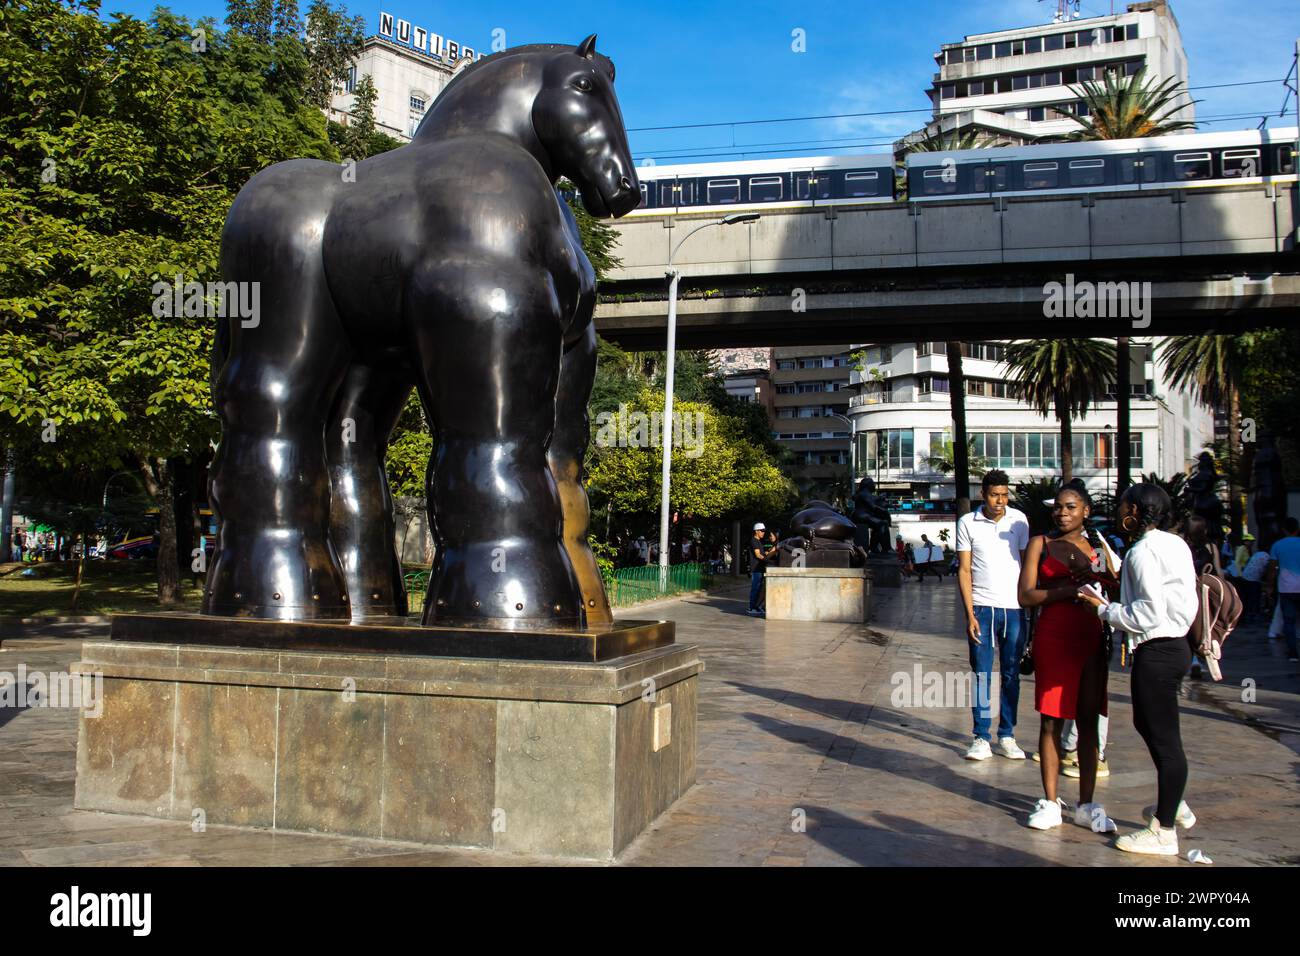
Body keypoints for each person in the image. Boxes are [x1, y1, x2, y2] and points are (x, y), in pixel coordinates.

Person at [1077, 483, 1200, 856]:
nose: (1118, 513)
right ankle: (1172, 802)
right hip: (1175, 646)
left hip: (1158, 648)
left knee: (1165, 740)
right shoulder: (1173, 543)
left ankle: (1164, 829)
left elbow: (1148, 612)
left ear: (1137, 510)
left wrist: (1102, 609)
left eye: (1123, 506)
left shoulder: (1143, 552)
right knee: (1148, 725)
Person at [1018, 479, 1120, 831]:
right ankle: (1049, 800)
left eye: (1070, 507)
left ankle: (1087, 804)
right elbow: (1026, 596)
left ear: (1086, 511)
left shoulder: (1098, 548)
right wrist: (1068, 590)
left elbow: (1117, 589)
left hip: (1090, 637)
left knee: (1089, 721)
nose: (1062, 513)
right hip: (1053, 635)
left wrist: (1098, 579)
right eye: (1058, 507)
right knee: (1051, 718)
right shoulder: (1040, 544)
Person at [956, 470, 1031, 761]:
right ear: (982, 495)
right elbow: (964, 570)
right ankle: (981, 737)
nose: (1000, 501)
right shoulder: (967, 522)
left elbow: (1026, 565)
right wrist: (970, 614)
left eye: (1004, 495)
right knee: (982, 673)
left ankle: (1007, 735)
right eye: (994, 495)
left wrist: (1028, 607)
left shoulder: (1019, 521)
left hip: (1014, 609)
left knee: (1011, 673)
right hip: (982, 609)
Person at [1265, 517, 1300, 662]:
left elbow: (1272, 569)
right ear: (1297, 528)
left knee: (1289, 621)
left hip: (1286, 588)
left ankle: (1293, 653)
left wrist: (1269, 587)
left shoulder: (1277, 546)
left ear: (1284, 530)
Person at [747, 523, 767, 616]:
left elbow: (762, 553)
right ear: (756, 531)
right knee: (755, 588)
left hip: (760, 568)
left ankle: (757, 606)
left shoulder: (759, 541)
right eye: (762, 531)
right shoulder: (754, 541)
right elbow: (757, 554)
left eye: (764, 531)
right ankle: (751, 607)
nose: (763, 533)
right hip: (756, 568)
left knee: (759, 589)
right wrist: (766, 559)